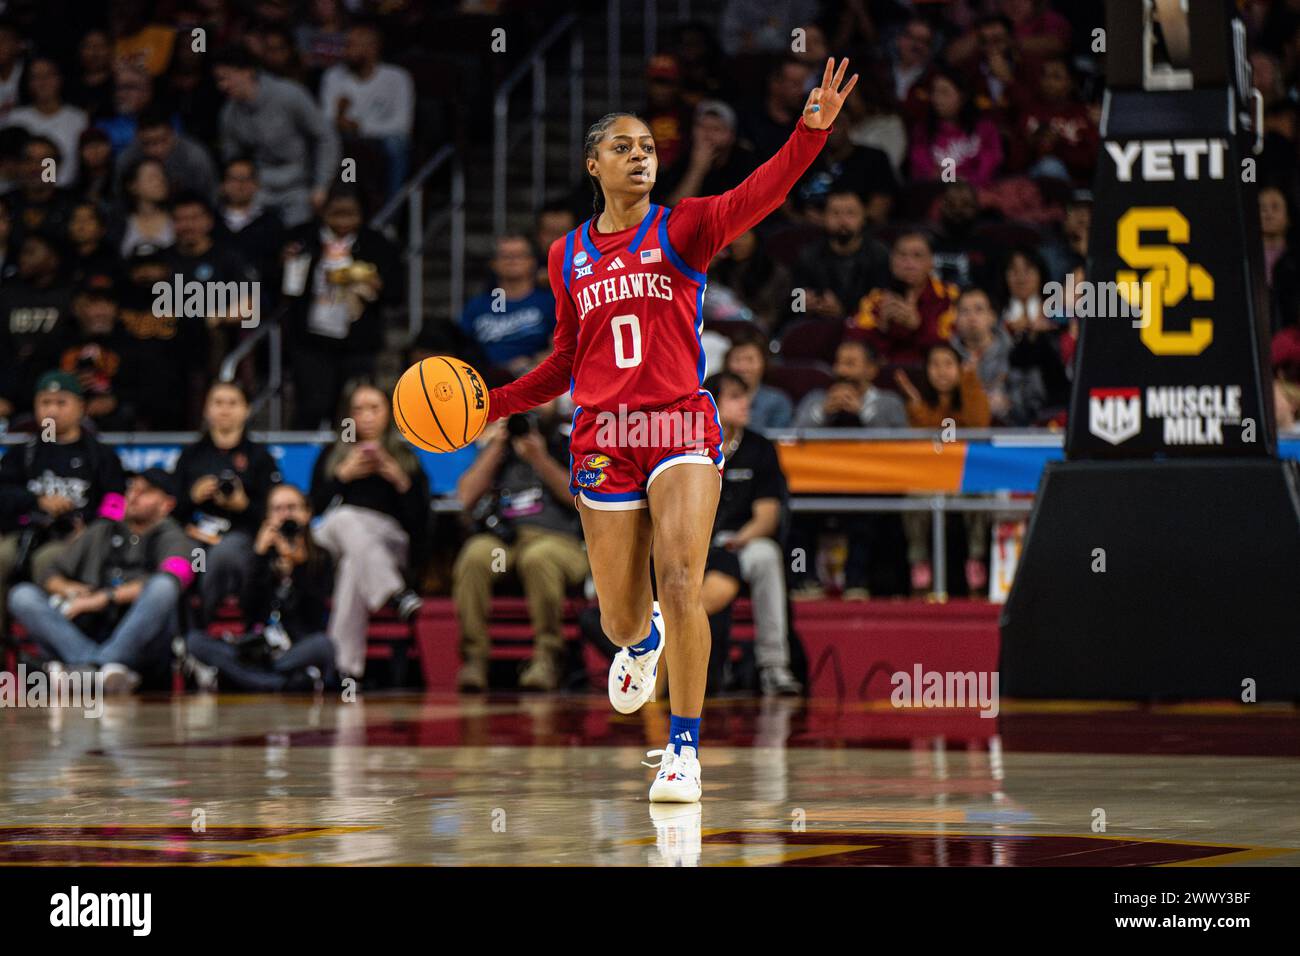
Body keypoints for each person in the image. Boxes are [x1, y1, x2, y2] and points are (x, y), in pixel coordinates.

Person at [484, 58, 856, 803]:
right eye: (623, 147)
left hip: (680, 422)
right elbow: (565, 359)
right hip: (601, 433)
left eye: (649, 146)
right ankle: (642, 639)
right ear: (594, 164)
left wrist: (808, 134)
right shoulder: (566, 256)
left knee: (682, 579)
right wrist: (494, 403)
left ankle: (684, 748)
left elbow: (763, 193)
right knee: (620, 615)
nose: (641, 154)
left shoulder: (682, 226)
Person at [6, 467, 194, 694]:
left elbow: (176, 577)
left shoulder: (175, 536)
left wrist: (102, 599)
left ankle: (90, 669)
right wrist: (70, 589)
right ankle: (101, 671)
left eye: (145, 492)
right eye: (131, 488)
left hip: (139, 640)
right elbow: (51, 574)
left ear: (167, 504)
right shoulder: (101, 528)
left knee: (163, 587)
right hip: (89, 628)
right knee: (22, 595)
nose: (133, 496)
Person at [452, 402, 589, 692]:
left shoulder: (569, 440)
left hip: (560, 541)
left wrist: (539, 458)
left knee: (537, 559)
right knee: (475, 556)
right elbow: (464, 496)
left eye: (544, 400)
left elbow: (582, 498)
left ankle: (547, 658)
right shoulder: (501, 451)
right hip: (507, 543)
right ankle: (475, 659)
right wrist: (497, 446)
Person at [309, 380, 429, 680]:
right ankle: (395, 592)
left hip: (388, 542)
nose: (366, 416)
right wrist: (340, 477)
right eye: (358, 409)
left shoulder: (405, 455)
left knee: (353, 567)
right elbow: (312, 510)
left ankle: (343, 670)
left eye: (374, 408)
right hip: (333, 538)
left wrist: (401, 481)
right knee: (344, 518)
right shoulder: (332, 454)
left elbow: (420, 523)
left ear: (388, 412)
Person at [0, 370, 127, 633]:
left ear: (80, 407)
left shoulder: (99, 455)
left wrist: (90, 531)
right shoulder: (24, 453)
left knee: (48, 562)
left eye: (61, 402)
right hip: (26, 534)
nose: (52, 411)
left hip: (76, 540)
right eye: (45, 403)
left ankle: (55, 651)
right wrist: (37, 500)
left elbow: (116, 503)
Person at [184, 483, 336, 691]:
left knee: (323, 645)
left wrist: (298, 567)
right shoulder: (258, 555)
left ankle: (249, 679)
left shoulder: (321, 556)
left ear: (307, 513)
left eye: (292, 508)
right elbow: (249, 608)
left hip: (297, 647)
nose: (285, 515)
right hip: (256, 646)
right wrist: (260, 556)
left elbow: (314, 616)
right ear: (267, 516)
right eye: (278, 509)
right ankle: (284, 683)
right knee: (194, 641)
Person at [705, 372, 800, 696]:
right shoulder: (691, 446)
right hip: (696, 544)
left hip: (741, 541)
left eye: (745, 396)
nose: (744, 403)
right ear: (712, 404)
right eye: (734, 396)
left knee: (767, 555)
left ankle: (774, 664)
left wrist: (741, 538)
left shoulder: (759, 448)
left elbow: (768, 516)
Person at [282, 184, 400, 430]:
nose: (343, 221)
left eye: (350, 214)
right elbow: (280, 286)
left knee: (353, 408)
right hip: (311, 342)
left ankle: (349, 461)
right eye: (336, 213)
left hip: (358, 344)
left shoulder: (375, 245)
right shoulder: (303, 238)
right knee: (313, 406)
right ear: (323, 212)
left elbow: (395, 294)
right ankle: (306, 463)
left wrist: (373, 283)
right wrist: (287, 263)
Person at [174, 382, 281, 619]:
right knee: (184, 558)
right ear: (206, 409)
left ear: (246, 410)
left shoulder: (259, 457)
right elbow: (171, 509)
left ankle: (204, 625)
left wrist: (242, 505)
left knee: (223, 553)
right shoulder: (190, 455)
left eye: (233, 403)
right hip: (195, 537)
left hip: (240, 538)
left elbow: (274, 513)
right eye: (218, 402)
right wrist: (193, 496)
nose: (225, 410)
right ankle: (182, 635)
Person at [895, 343, 992, 594]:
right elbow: (922, 440)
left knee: (980, 494)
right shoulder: (919, 404)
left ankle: (975, 561)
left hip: (965, 476)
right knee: (913, 497)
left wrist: (969, 379)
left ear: (959, 368)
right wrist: (916, 406)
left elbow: (978, 424)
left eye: (948, 364)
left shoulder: (972, 395)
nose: (941, 371)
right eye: (935, 365)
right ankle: (919, 563)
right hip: (929, 478)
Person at [214, 45, 339, 228]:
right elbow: (233, 160)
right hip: (259, 187)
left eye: (226, 78)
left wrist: (322, 185)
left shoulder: (289, 94)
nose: (222, 86)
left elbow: (326, 137)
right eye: (218, 80)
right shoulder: (228, 114)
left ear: (246, 72)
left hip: (299, 184)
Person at [318, 20, 414, 200]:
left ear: (373, 48)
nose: (345, 51)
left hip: (382, 139)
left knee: (397, 145)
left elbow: (402, 125)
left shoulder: (397, 77)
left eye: (351, 45)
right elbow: (326, 117)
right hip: (345, 139)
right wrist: (339, 118)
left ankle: (390, 214)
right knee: (332, 144)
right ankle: (338, 203)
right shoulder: (333, 75)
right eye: (345, 45)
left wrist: (360, 127)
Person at [847, 230, 958, 367]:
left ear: (931, 262)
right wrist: (882, 328)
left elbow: (956, 347)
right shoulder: (875, 299)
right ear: (891, 260)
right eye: (902, 255)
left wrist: (918, 327)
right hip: (884, 376)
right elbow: (852, 348)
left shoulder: (950, 296)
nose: (909, 263)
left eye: (917, 256)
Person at [459, 234, 557, 380]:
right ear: (493, 263)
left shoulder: (550, 302)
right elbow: (461, 348)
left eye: (519, 255)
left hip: (534, 377)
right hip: (484, 379)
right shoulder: (477, 306)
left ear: (533, 261)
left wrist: (532, 363)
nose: (512, 260)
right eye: (505, 256)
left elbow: (561, 349)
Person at [788, 189, 890, 328]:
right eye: (835, 213)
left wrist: (843, 311)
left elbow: (881, 302)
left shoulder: (880, 255)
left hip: (864, 329)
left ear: (863, 217)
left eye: (850, 213)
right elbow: (794, 304)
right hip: (818, 326)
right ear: (824, 217)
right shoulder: (808, 255)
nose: (842, 220)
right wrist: (803, 305)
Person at [0, 230, 77, 413]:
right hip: (9, 390)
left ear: (53, 258)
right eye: (22, 253)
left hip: (57, 389)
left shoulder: (69, 295)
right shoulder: (8, 295)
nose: (23, 258)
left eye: (31, 252)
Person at [908, 66, 1004, 189]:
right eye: (934, 92)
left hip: (978, 196)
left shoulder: (986, 129)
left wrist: (961, 181)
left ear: (963, 96)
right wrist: (956, 180)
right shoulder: (923, 131)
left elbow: (987, 171)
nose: (937, 99)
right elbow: (923, 172)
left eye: (944, 92)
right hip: (936, 197)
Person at [2, 57, 88, 185]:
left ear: (60, 78)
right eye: (36, 77)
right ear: (28, 83)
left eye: (49, 75)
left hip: (67, 194)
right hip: (23, 195)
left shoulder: (78, 118)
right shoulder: (15, 118)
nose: (43, 82)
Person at [114, 103, 219, 203]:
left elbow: (211, 196)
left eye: (163, 140)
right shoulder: (127, 159)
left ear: (173, 134)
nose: (156, 149)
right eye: (147, 143)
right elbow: (120, 198)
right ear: (137, 137)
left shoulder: (195, 156)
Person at [792, 338, 906, 427]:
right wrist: (822, 412)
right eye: (838, 363)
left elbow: (900, 446)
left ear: (871, 370)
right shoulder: (815, 399)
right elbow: (790, 439)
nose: (841, 371)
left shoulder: (890, 402)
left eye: (850, 364)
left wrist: (863, 411)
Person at [722, 332, 791, 431]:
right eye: (737, 359)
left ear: (764, 363)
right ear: (727, 363)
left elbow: (778, 443)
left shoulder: (778, 402)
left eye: (750, 360)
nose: (743, 367)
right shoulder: (711, 397)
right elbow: (694, 442)